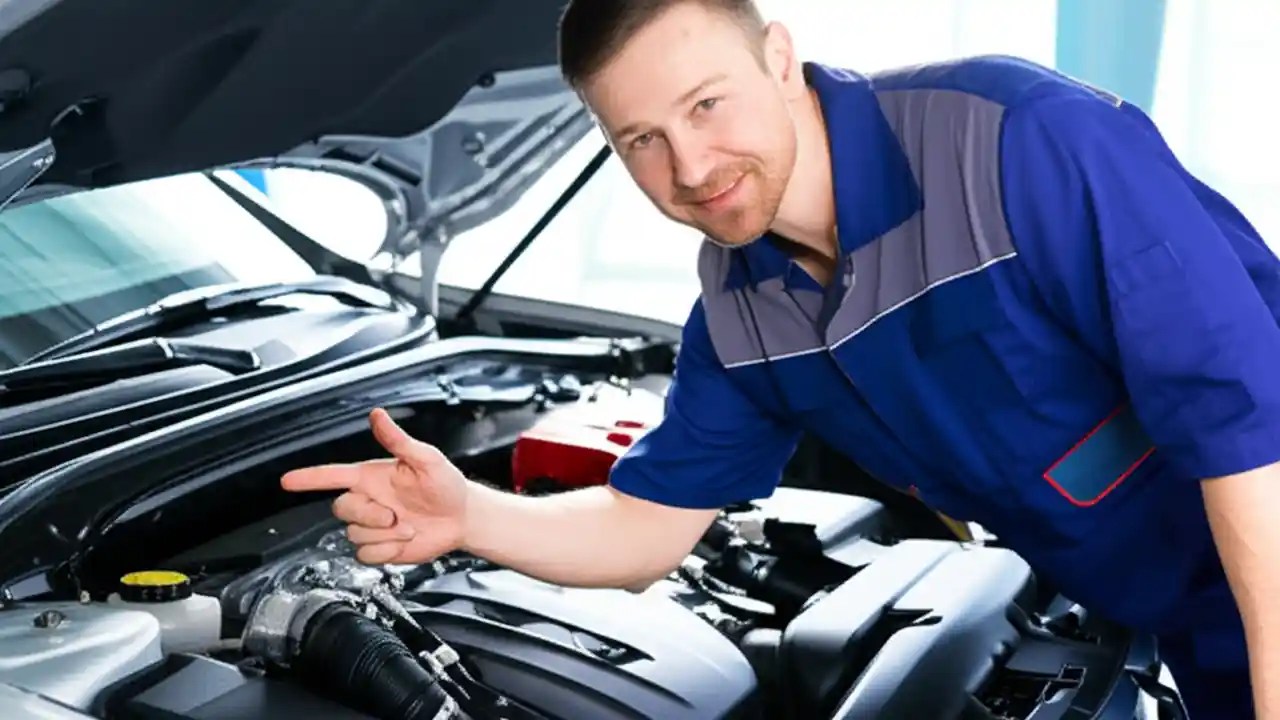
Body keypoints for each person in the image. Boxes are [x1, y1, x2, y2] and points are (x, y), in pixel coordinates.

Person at [281, 1, 1280, 717]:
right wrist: (470, 516)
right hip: (1187, 625)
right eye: (641, 140)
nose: (690, 169)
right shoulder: (740, 314)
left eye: (706, 104)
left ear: (778, 54)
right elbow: (646, 525)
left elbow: (1244, 430)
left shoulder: (1015, 143)